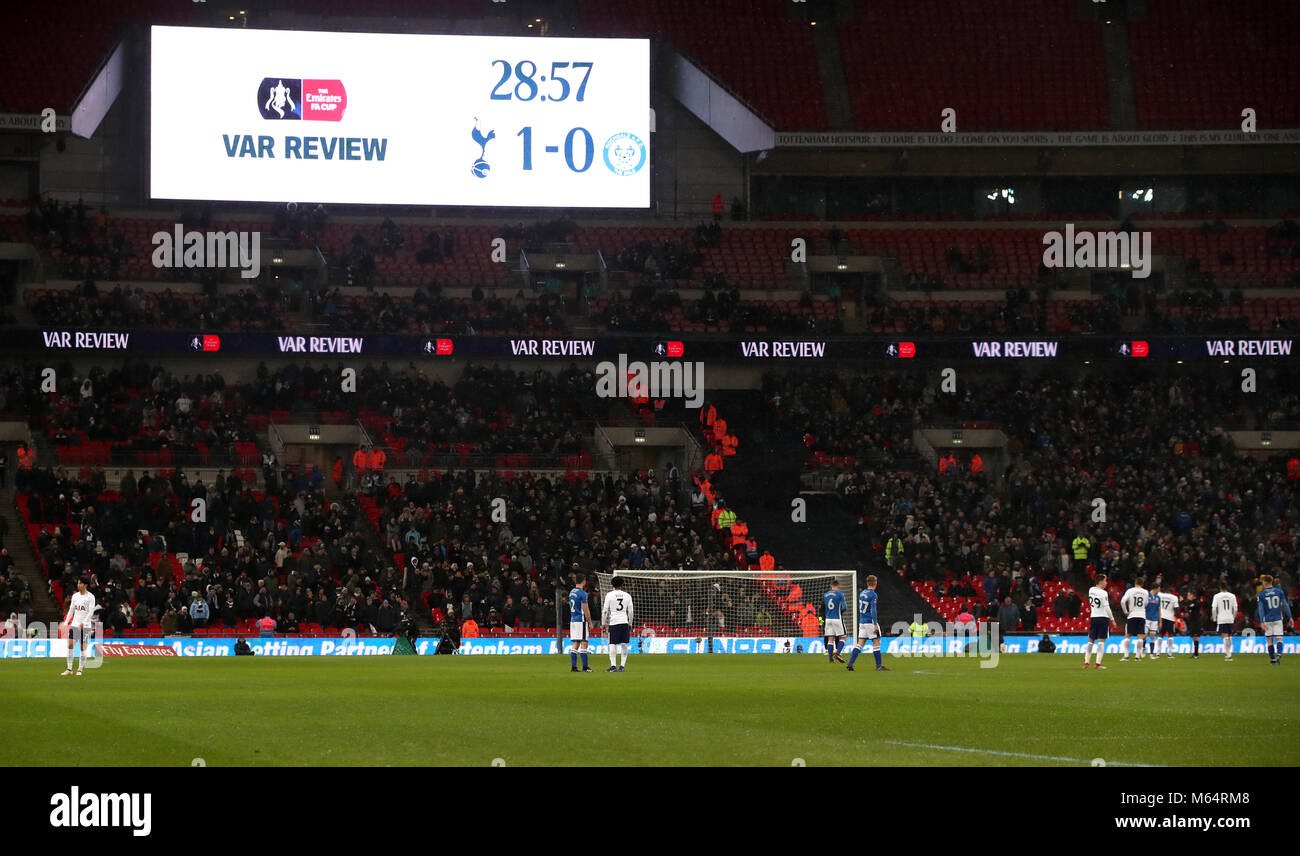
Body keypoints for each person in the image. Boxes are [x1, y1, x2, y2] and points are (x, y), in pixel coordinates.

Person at [847, 575, 887, 672]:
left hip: (862, 622)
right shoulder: (873, 595)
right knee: (877, 642)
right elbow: (873, 610)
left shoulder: (862, 593)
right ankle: (879, 666)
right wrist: (875, 624)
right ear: (875, 583)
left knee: (860, 643)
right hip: (870, 622)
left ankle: (850, 663)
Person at [61, 577, 96, 676]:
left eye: (80, 583)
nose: (78, 585)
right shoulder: (75, 596)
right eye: (78, 583)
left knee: (82, 647)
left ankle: (80, 669)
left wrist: (84, 623)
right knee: (70, 644)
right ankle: (69, 669)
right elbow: (71, 610)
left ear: (85, 585)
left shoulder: (91, 597)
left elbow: (90, 612)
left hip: (85, 626)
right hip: (75, 624)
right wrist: (66, 623)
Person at [1254, 573, 1293, 665]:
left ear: (1265, 582)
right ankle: (1279, 654)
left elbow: (1261, 609)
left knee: (1269, 640)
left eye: (1263, 581)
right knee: (1279, 638)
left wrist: (1262, 621)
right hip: (1278, 618)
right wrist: (1290, 617)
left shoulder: (1262, 594)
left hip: (1268, 620)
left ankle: (1272, 659)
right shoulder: (1279, 591)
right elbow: (1285, 605)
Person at [601, 575, 633, 673]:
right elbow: (631, 611)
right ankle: (622, 666)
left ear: (612, 585)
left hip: (614, 622)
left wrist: (603, 623)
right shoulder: (627, 595)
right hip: (624, 621)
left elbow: (605, 611)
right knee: (624, 644)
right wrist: (630, 623)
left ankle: (613, 666)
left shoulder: (609, 595)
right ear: (622, 585)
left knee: (612, 644)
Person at [1083, 573, 1113, 669]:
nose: (1106, 583)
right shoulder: (1103, 593)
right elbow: (1106, 607)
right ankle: (1097, 664)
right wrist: (1112, 619)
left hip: (1093, 617)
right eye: (1105, 580)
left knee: (1091, 640)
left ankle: (1086, 663)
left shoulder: (1091, 590)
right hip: (1103, 617)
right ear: (1100, 582)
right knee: (1101, 641)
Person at [1118, 577, 1150, 661]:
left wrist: (1125, 611)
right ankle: (1137, 657)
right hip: (1141, 615)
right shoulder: (1145, 592)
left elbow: (1122, 601)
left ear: (1135, 583)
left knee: (1128, 635)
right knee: (1140, 637)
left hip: (1132, 615)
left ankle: (1126, 656)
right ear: (1142, 584)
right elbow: (1146, 603)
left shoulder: (1130, 591)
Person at [568, 577, 593, 672]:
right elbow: (586, 609)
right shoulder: (583, 594)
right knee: (584, 642)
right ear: (584, 581)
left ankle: (574, 667)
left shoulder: (571, 592)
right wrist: (590, 622)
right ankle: (585, 667)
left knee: (576, 643)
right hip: (581, 620)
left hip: (573, 620)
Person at [1211, 580, 1239, 662]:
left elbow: (1213, 608)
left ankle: (1229, 655)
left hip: (1222, 618)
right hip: (1230, 617)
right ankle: (1229, 653)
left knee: (1225, 636)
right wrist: (1233, 617)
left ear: (1220, 587)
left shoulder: (1216, 596)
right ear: (1226, 587)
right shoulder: (1232, 596)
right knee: (1229, 636)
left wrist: (1215, 618)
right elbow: (1236, 608)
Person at [822, 578, 847, 664]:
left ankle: (831, 659)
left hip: (828, 619)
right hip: (837, 618)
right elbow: (844, 607)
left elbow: (824, 607)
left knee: (830, 639)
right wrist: (840, 612)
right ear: (838, 586)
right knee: (844, 637)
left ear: (831, 586)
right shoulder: (840, 594)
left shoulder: (825, 595)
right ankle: (838, 653)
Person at [1156, 584, 1179, 659]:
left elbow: (1157, 591)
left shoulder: (1160, 595)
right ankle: (1169, 654)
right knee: (1170, 635)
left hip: (1161, 617)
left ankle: (1158, 653)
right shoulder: (1174, 598)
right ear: (1171, 591)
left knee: (1160, 635)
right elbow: (1176, 609)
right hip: (1170, 618)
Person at [1143, 581, 1162, 657]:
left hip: (1154, 619)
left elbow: (1159, 609)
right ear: (1156, 589)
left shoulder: (1158, 598)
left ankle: (1151, 654)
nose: (1159, 590)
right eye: (1159, 589)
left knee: (1152, 636)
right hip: (1146, 618)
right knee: (1144, 636)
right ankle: (1143, 648)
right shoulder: (1147, 596)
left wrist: (1160, 621)